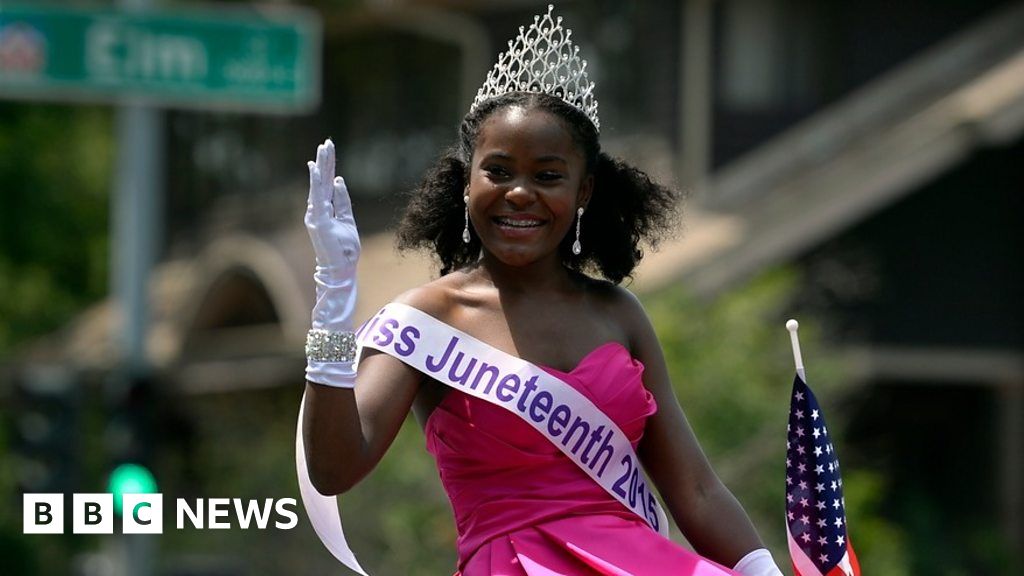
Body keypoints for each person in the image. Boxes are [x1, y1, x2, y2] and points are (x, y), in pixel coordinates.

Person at [299, 6, 785, 575]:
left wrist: (764, 572)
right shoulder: (426, 319)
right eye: (498, 171)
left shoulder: (618, 313)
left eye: (548, 176)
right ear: (466, 183)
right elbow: (334, 468)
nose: (520, 193)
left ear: (584, 192)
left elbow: (696, 490)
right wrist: (333, 304)